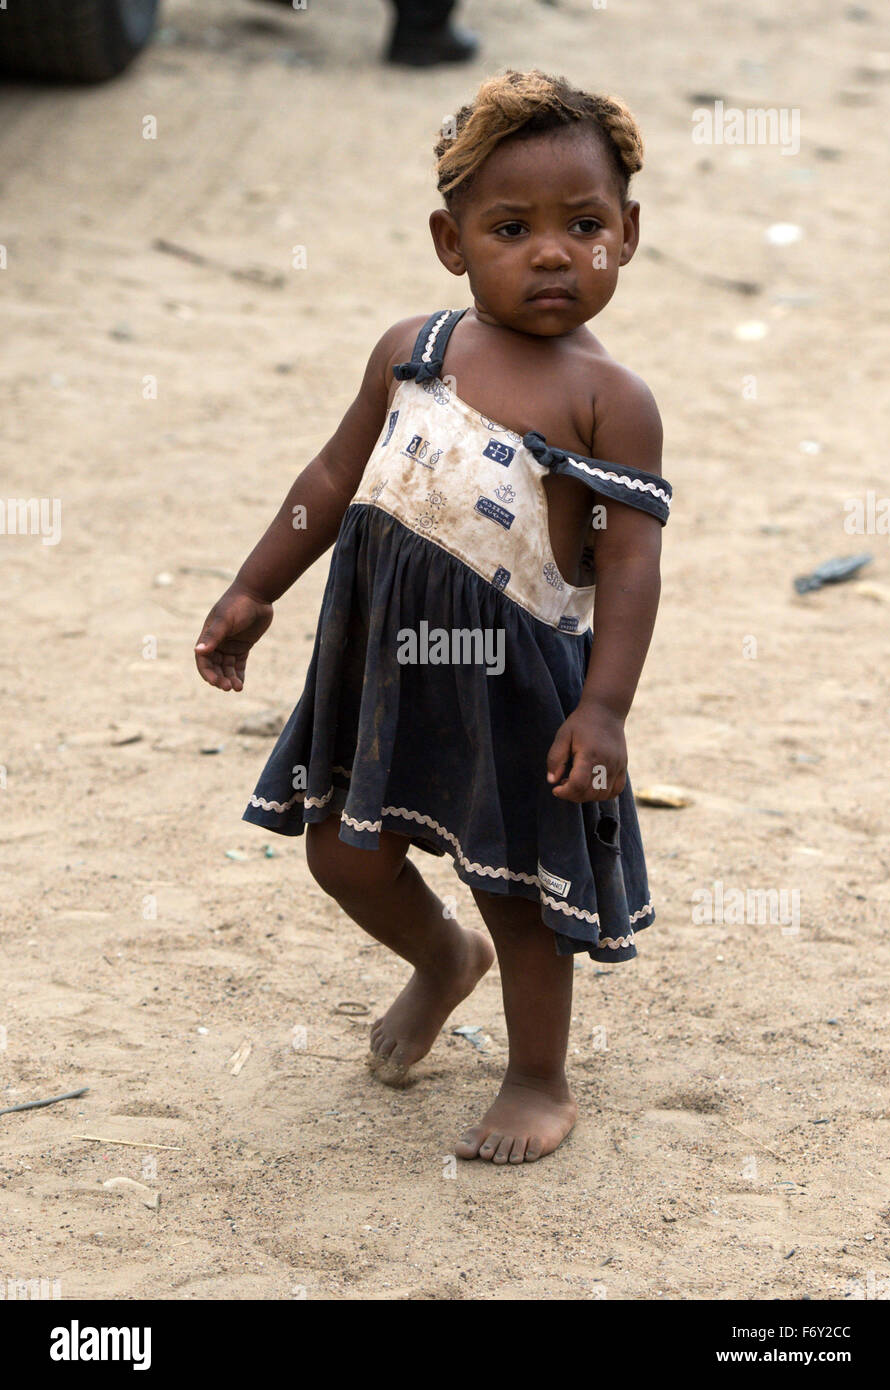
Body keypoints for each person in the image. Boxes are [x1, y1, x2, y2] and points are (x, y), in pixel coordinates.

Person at [195, 69, 672, 1165]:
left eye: (583, 225)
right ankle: (441, 959)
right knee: (342, 854)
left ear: (627, 235)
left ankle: (537, 1075)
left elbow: (634, 569)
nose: (552, 252)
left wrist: (604, 713)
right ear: (450, 241)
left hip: (513, 683)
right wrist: (255, 584)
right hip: (383, 664)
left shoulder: (610, 402)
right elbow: (332, 471)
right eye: (512, 227)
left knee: (515, 887)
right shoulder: (412, 351)